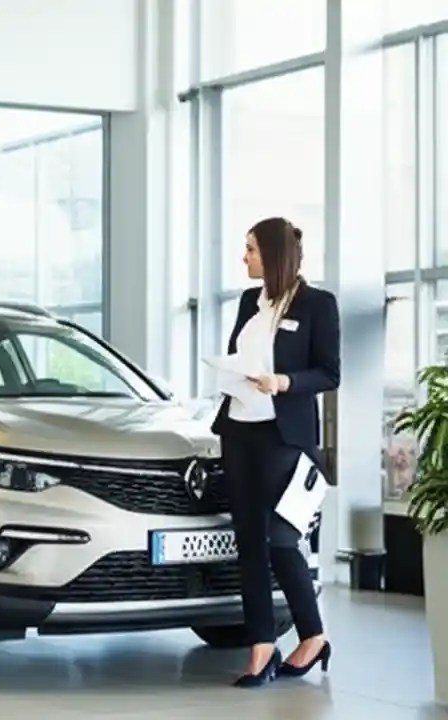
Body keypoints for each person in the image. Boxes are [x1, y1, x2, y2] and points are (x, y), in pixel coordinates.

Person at [210, 217, 340, 688]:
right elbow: (238, 355)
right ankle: (261, 646)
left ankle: (313, 635)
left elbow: (329, 373)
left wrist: (284, 382)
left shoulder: (318, 304)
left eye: (250, 249)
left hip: (284, 437)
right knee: (248, 543)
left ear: (272, 254)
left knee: (281, 540)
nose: (243, 257)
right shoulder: (249, 301)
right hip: (238, 430)